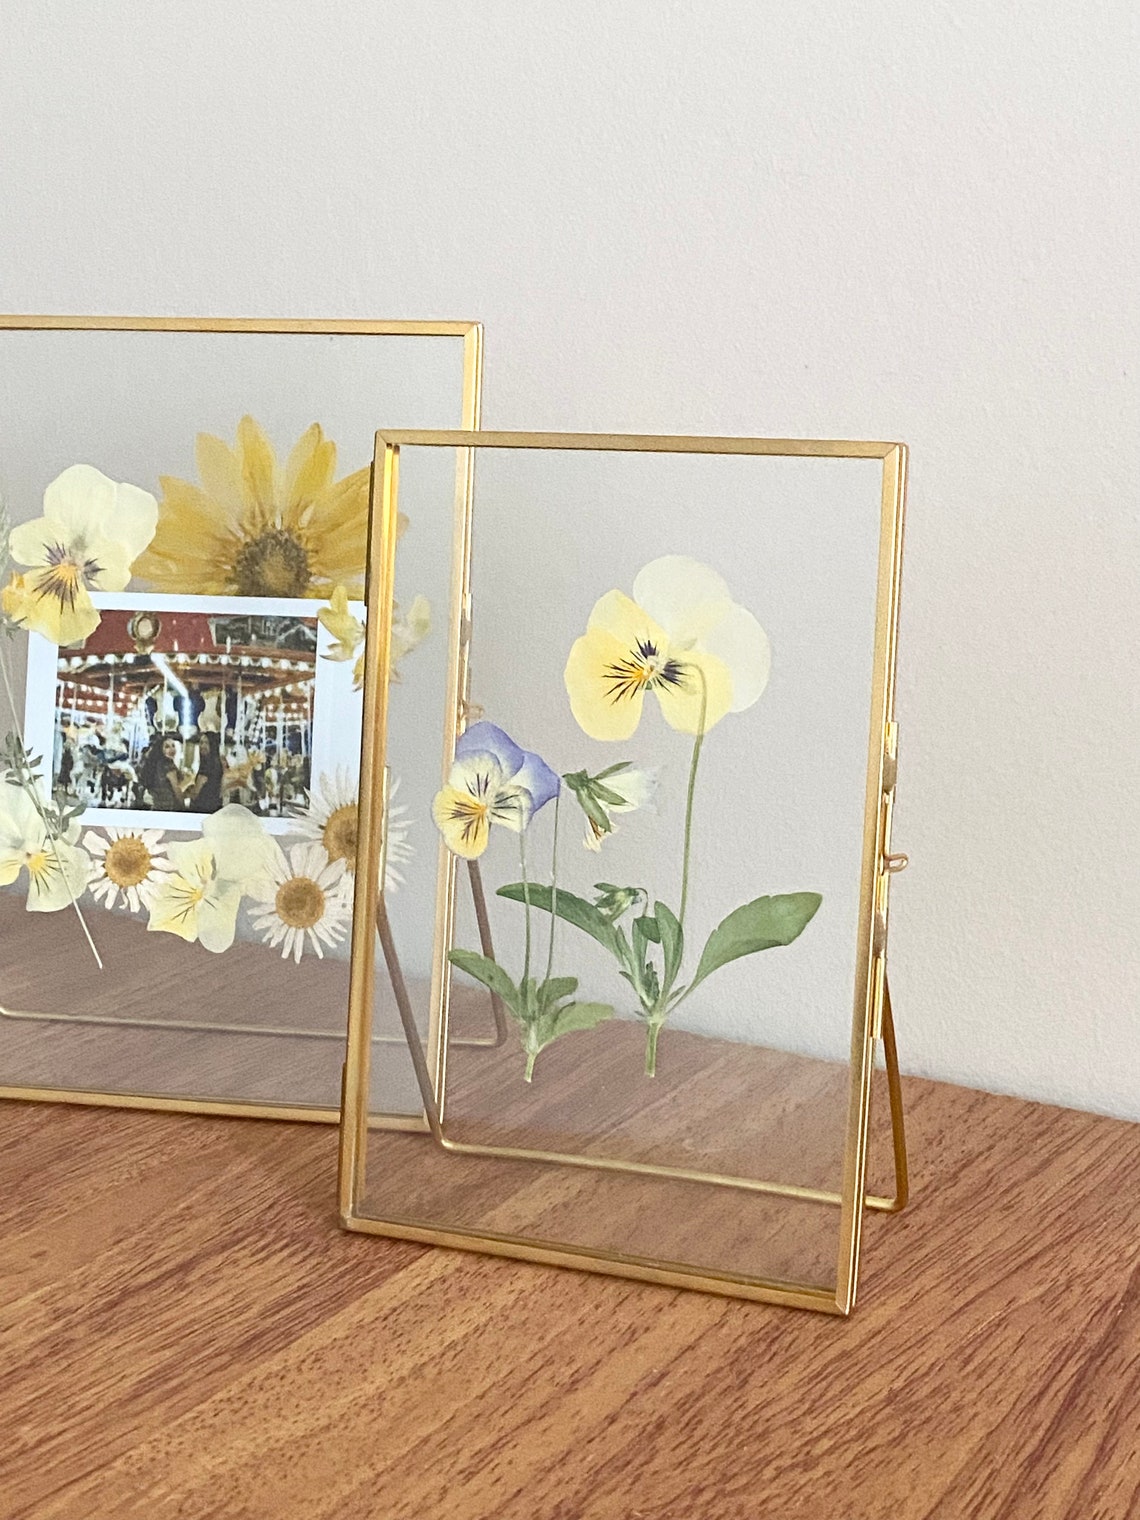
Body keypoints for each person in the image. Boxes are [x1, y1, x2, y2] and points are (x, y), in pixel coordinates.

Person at [139, 733, 185, 812]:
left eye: (173, 746)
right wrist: (184, 807)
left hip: (157, 807)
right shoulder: (169, 766)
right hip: (170, 808)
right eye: (167, 747)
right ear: (161, 749)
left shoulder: (155, 765)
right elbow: (176, 789)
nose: (172, 749)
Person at [189, 730, 224, 814]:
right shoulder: (218, 764)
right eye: (201, 743)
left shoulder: (207, 768)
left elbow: (195, 794)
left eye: (206, 743)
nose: (202, 746)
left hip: (202, 811)